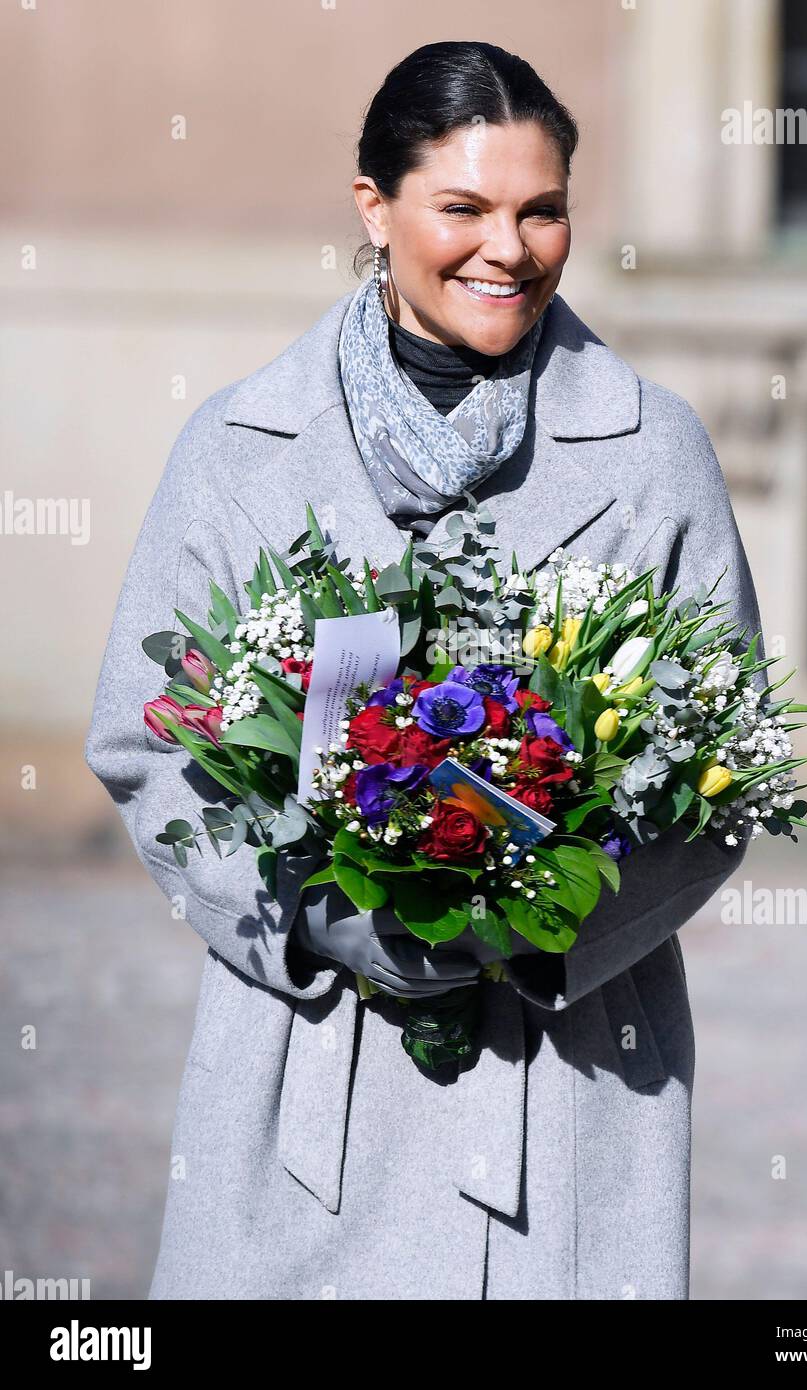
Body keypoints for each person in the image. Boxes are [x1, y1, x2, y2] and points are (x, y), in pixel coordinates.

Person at [83, 41, 764, 1300]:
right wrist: (306, 916)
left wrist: (545, 930)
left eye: (542, 209)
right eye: (463, 207)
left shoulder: (653, 452)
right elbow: (146, 741)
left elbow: (727, 781)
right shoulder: (241, 448)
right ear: (374, 207)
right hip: (306, 1084)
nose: (508, 247)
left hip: (570, 1086)